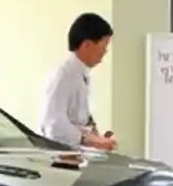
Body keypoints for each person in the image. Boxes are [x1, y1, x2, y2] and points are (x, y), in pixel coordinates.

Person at [38, 13, 116, 151]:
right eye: (103, 46)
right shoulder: (62, 77)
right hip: (61, 157)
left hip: (77, 154)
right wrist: (90, 140)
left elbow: (80, 120)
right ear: (87, 45)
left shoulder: (81, 76)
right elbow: (54, 125)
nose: (105, 52)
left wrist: (98, 138)